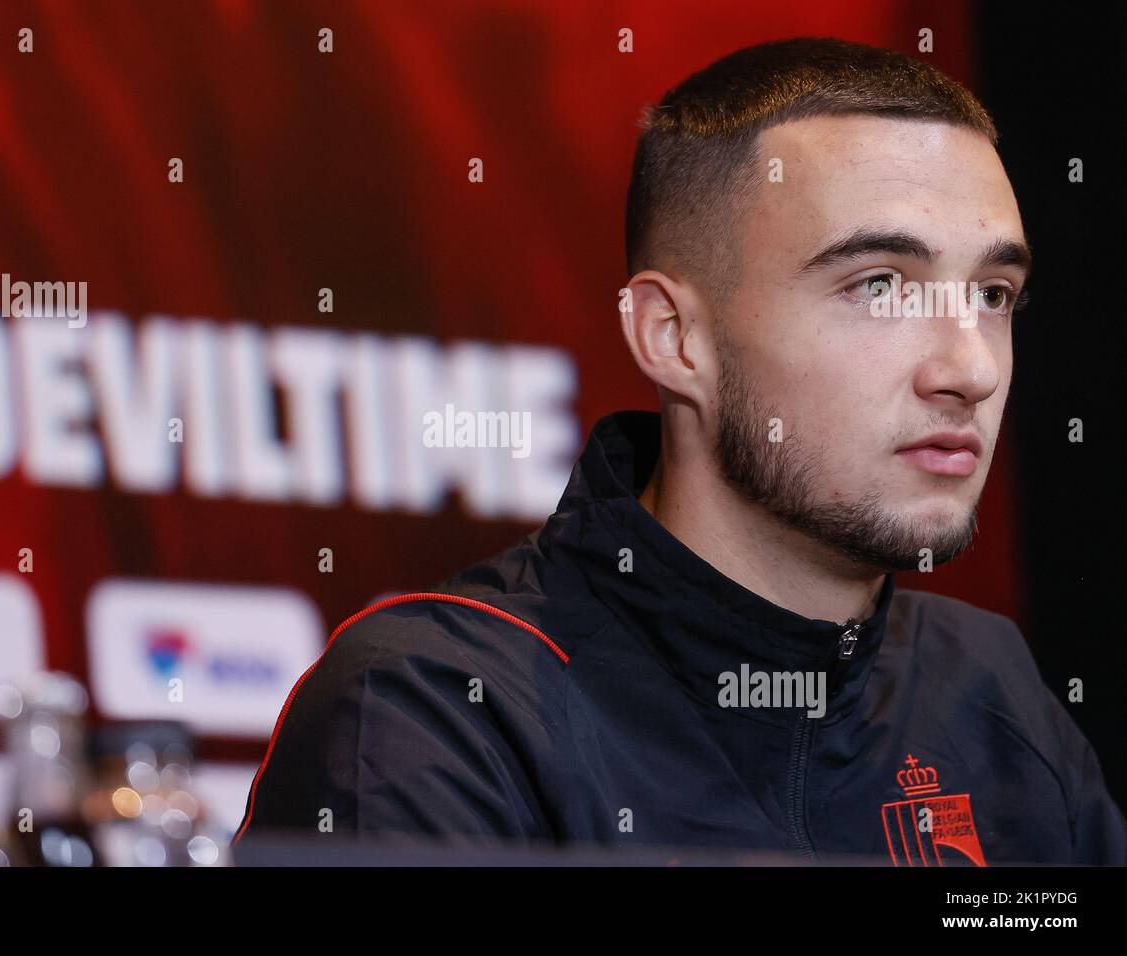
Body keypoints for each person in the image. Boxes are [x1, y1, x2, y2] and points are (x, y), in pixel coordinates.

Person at [233, 37, 1126, 865]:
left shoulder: (994, 694)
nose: (969, 367)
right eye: (880, 286)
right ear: (673, 337)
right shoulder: (438, 709)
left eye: (995, 295)